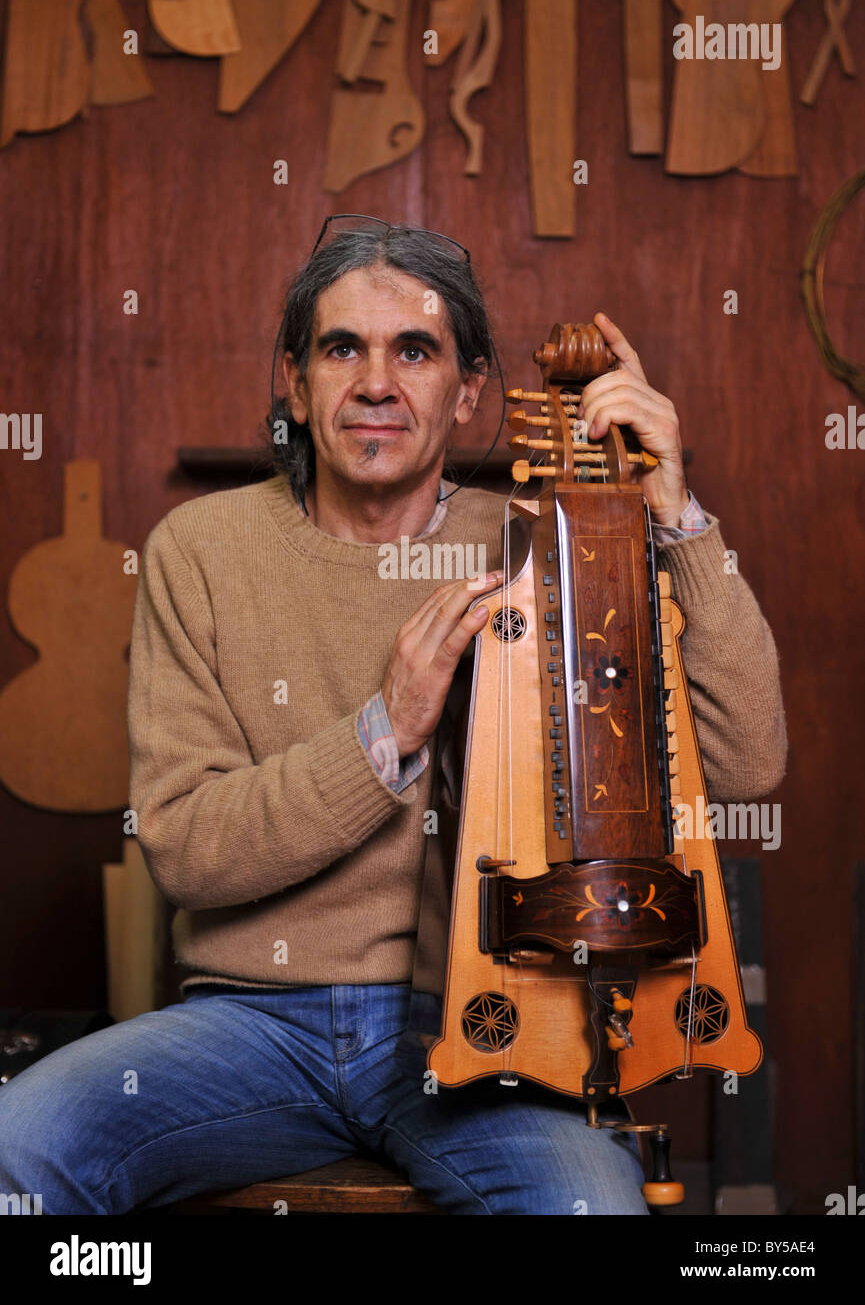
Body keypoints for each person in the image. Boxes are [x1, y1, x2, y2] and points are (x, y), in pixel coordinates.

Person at [0, 218, 786, 1215]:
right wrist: (389, 729)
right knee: (18, 1145)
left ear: (466, 392)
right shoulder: (199, 550)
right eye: (343, 349)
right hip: (249, 1030)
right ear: (295, 381)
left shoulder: (549, 544)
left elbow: (745, 757)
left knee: (587, 1205)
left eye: (413, 349)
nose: (377, 382)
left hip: (482, 1027)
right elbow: (187, 849)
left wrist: (675, 517)